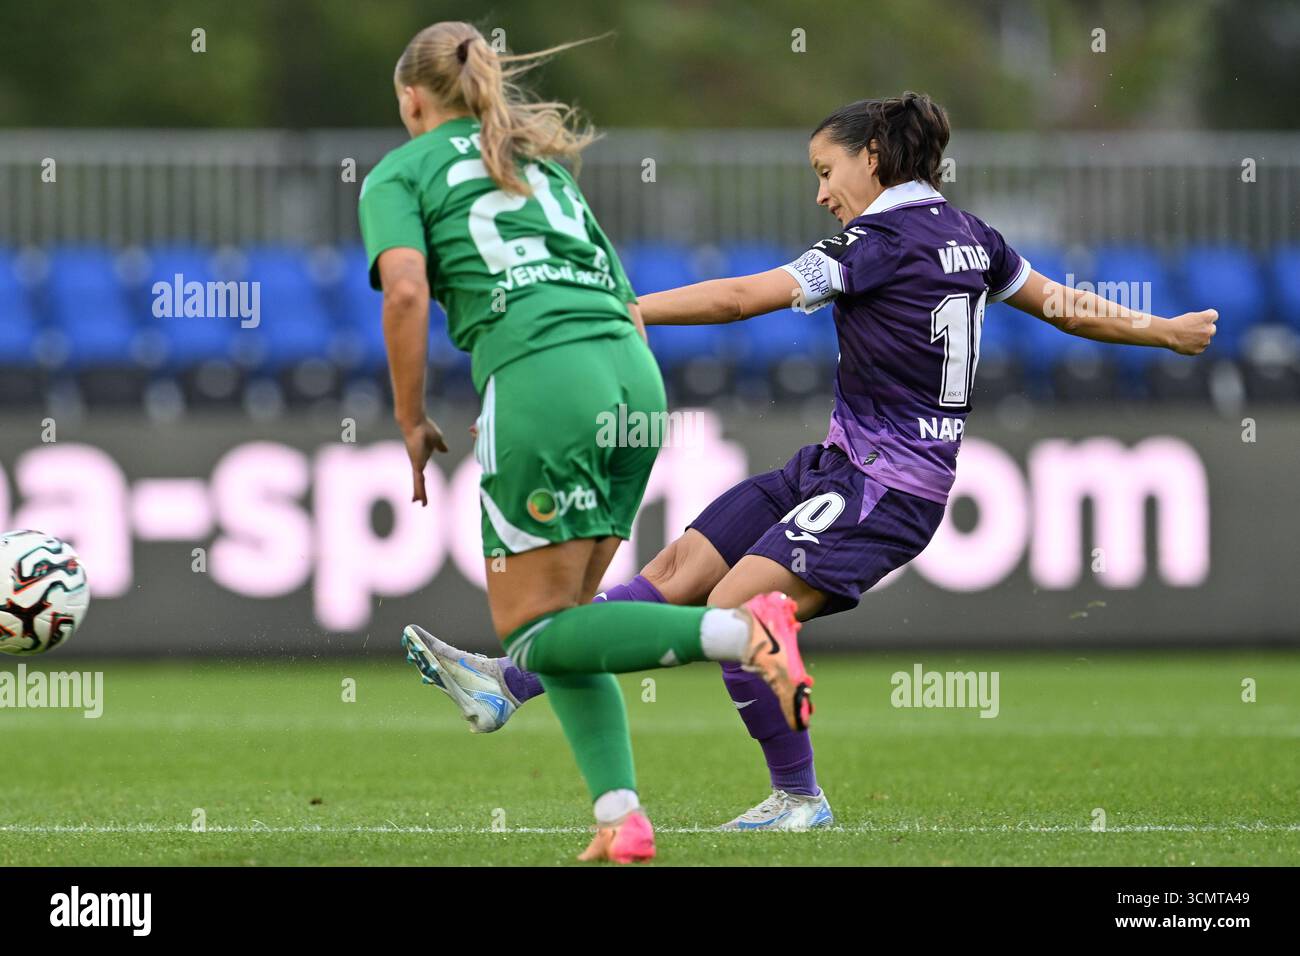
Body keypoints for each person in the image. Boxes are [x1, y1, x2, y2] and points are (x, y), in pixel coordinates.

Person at [404, 91, 1220, 831]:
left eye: (826, 171)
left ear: (873, 156)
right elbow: (1064, 309)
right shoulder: (974, 237)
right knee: (683, 566)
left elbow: (736, 299)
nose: (821, 191)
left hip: (887, 488)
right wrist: (1164, 330)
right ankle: (507, 684)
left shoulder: (876, 242)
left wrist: (628, 310)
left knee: (741, 607)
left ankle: (800, 798)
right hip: (834, 465)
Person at [359, 21, 814, 864]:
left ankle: (742, 633)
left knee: (534, 638)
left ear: (411, 99)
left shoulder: (400, 170)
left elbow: (406, 295)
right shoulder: (542, 171)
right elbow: (618, 293)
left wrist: (410, 416)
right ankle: (620, 817)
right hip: (632, 379)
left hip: (545, 380)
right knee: (570, 626)